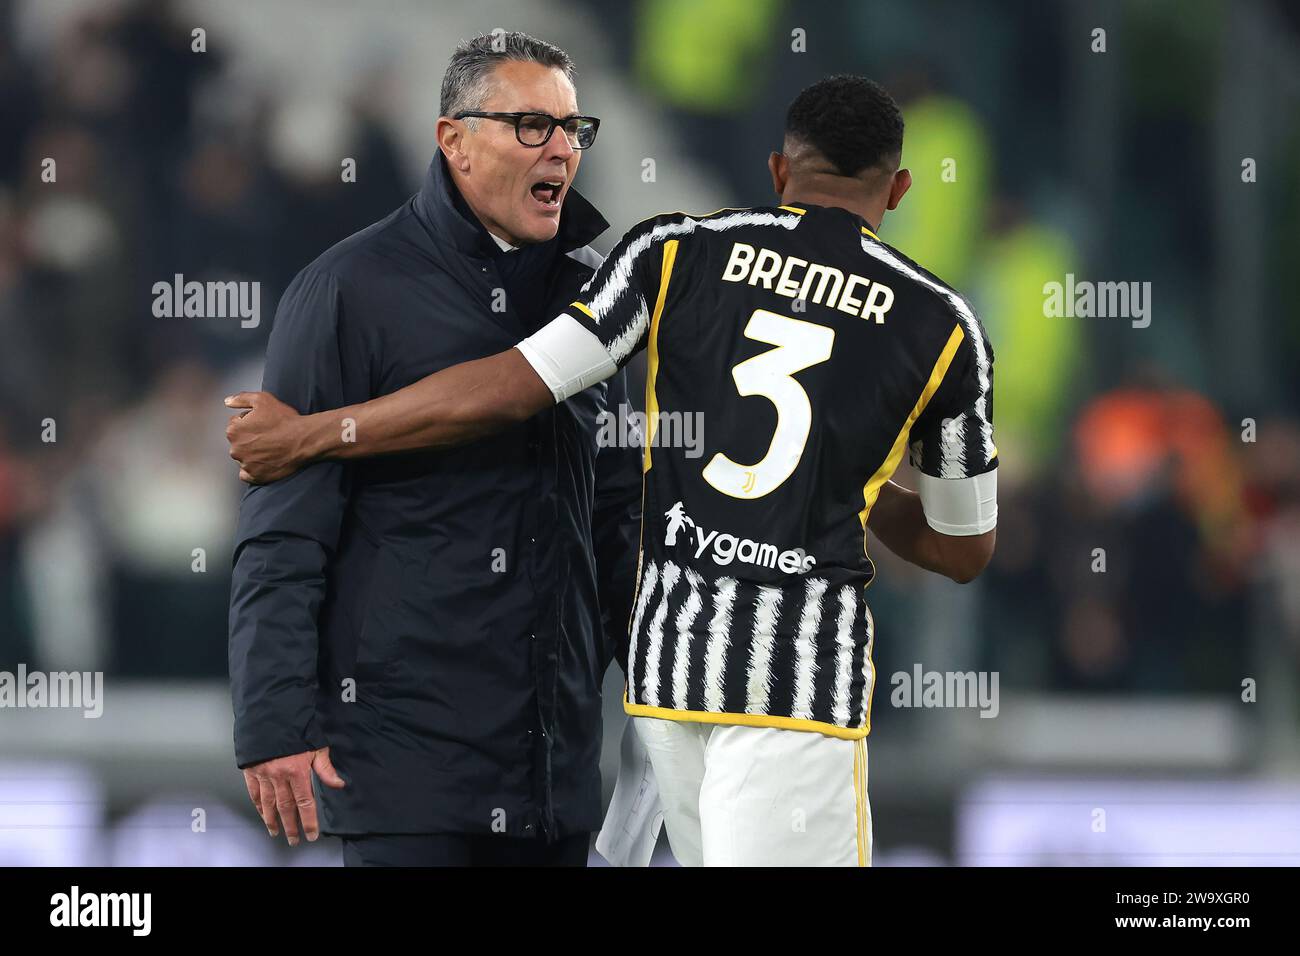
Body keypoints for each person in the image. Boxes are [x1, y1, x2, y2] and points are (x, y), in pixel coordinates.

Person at [227, 74, 998, 866]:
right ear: (900, 189)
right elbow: (962, 547)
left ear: (776, 171)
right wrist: (838, 485)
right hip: (792, 691)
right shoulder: (939, 324)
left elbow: (506, 387)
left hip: (669, 681)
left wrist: (315, 433)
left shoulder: (672, 251)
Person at [227, 32, 643, 867]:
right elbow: (285, 530)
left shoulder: (599, 297)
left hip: (554, 777)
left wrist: (652, 691)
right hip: (405, 772)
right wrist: (274, 722)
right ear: (453, 138)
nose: (562, 148)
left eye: (573, 129)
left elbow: (616, 518)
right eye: (531, 125)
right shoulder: (348, 290)